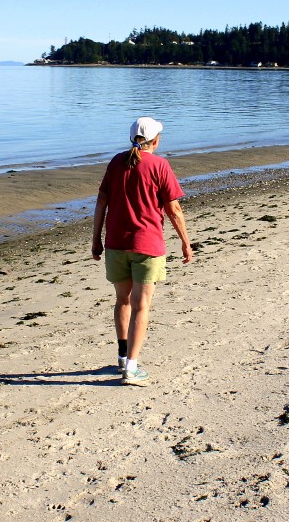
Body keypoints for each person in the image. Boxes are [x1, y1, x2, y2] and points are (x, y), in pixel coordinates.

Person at [91, 116, 193, 386]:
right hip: (147, 246)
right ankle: (131, 368)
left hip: (115, 244)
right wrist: (185, 241)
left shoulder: (116, 162)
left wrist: (96, 239)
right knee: (141, 306)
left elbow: (101, 202)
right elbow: (174, 209)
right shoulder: (160, 165)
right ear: (156, 141)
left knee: (122, 301)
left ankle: (123, 358)